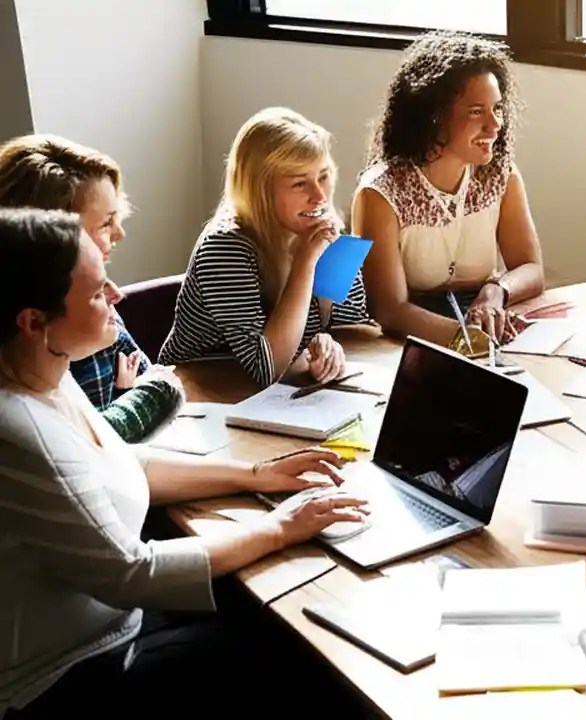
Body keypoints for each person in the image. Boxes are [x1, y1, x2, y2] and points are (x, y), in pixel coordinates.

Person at [0, 208, 370, 716]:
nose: (117, 296)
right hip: (67, 676)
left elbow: (124, 462)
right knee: (306, 657)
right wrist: (281, 528)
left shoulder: (45, 371)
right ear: (34, 323)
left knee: (275, 615)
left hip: (118, 625)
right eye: (95, 293)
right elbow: (134, 572)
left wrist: (258, 474)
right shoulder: (18, 429)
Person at [354, 31, 545, 351]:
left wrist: (495, 291)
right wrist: (464, 339)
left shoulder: (502, 175)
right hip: (410, 336)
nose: (495, 125)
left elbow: (532, 269)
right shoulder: (379, 194)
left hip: (485, 320)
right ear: (434, 116)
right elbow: (390, 309)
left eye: (497, 109)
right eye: (476, 111)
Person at [159, 107, 371, 387]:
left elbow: (354, 332)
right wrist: (306, 262)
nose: (319, 196)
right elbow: (266, 367)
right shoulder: (225, 247)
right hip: (203, 397)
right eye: (299, 183)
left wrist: (329, 346)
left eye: (323, 176)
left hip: (282, 398)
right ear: (260, 191)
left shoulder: (329, 234)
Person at [0, 134, 183, 443]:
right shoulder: (34, 338)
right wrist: (147, 396)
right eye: (105, 223)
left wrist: (131, 394)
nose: (120, 233)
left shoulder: (98, 305)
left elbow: (146, 375)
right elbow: (74, 443)